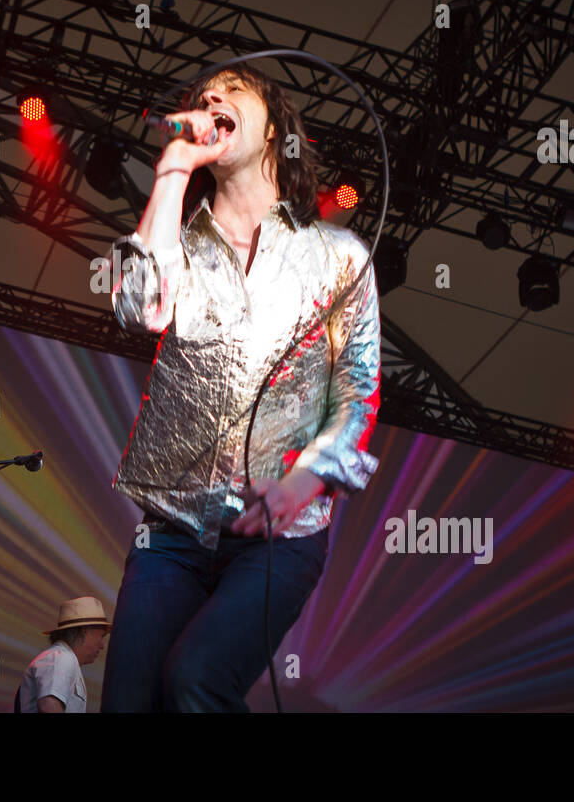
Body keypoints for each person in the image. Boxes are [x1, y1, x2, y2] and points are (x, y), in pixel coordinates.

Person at [102, 62, 381, 712]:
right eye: (203, 96)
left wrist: (304, 480)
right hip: (170, 530)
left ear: (276, 127)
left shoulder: (340, 255)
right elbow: (140, 305)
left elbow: (359, 393)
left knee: (197, 679)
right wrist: (172, 165)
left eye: (233, 91)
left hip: (281, 538)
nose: (211, 99)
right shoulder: (178, 242)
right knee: (129, 705)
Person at [15, 597, 110, 713]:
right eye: (101, 636)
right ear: (84, 631)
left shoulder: (63, 658)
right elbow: (49, 705)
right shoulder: (61, 657)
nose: (102, 646)